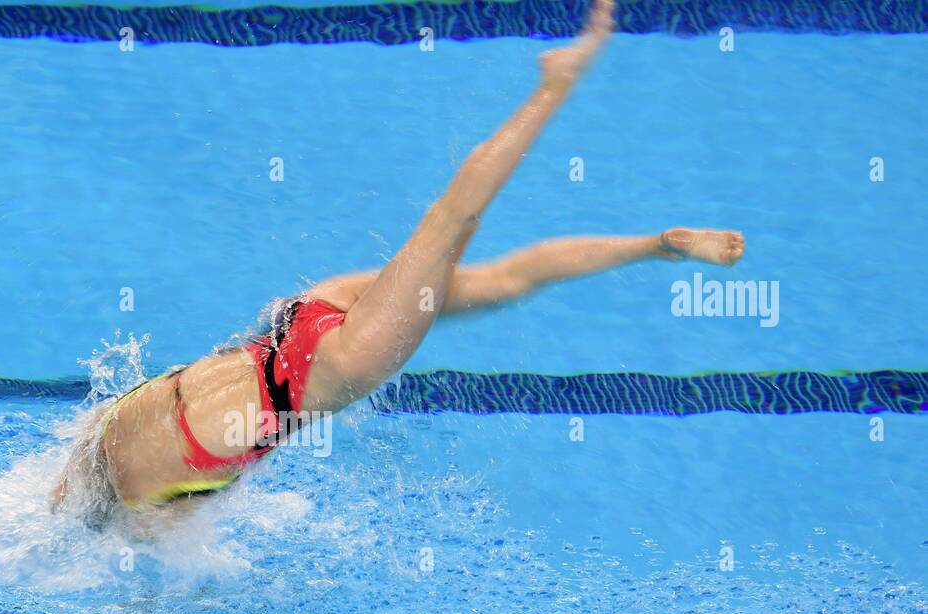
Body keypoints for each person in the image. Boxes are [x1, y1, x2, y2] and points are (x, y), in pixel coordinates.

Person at [52, 0, 743, 521]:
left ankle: (556, 87)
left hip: (328, 364)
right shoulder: (110, 459)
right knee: (487, 273)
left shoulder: (145, 509)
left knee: (457, 223)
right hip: (294, 332)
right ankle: (655, 245)